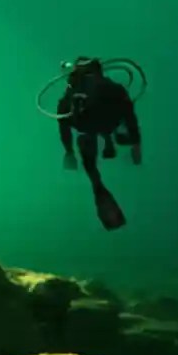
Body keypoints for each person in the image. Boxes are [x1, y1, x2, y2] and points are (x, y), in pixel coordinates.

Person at [55, 57, 143, 231]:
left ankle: (99, 188)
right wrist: (136, 144)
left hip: (88, 129)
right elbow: (130, 116)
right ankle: (111, 140)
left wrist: (69, 152)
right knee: (109, 129)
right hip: (108, 124)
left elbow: (64, 124)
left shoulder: (71, 96)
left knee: (92, 167)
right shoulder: (113, 88)